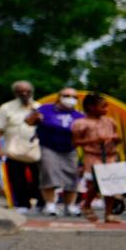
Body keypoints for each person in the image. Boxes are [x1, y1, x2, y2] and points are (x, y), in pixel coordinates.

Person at [29, 86, 84, 217]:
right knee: (49, 173)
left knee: (72, 177)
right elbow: (29, 122)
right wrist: (34, 117)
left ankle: (69, 206)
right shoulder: (45, 109)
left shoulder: (79, 116)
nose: (71, 99)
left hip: (70, 149)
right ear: (59, 97)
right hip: (48, 147)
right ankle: (50, 205)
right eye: (67, 96)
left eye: (74, 97)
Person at [0, 80, 40, 213]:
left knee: (38, 178)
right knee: (17, 178)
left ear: (32, 92)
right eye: (21, 91)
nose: (24, 93)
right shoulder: (6, 107)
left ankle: (40, 203)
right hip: (13, 150)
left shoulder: (38, 106)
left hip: (34, 150)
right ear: (15, 93)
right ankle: (23, 204)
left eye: (27, 91)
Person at [72, 92, 122, 223]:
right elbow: (75, 142)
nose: (106, 109)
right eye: (103, 106)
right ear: (91, 107)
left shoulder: (110, 121)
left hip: (110, 156)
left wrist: (116, 138)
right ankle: (87, 204)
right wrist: (94, 140)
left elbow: (118, 137)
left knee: (111, 184)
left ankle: (108, 213)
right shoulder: (81, 123)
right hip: (93, 157)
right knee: (95, 183)